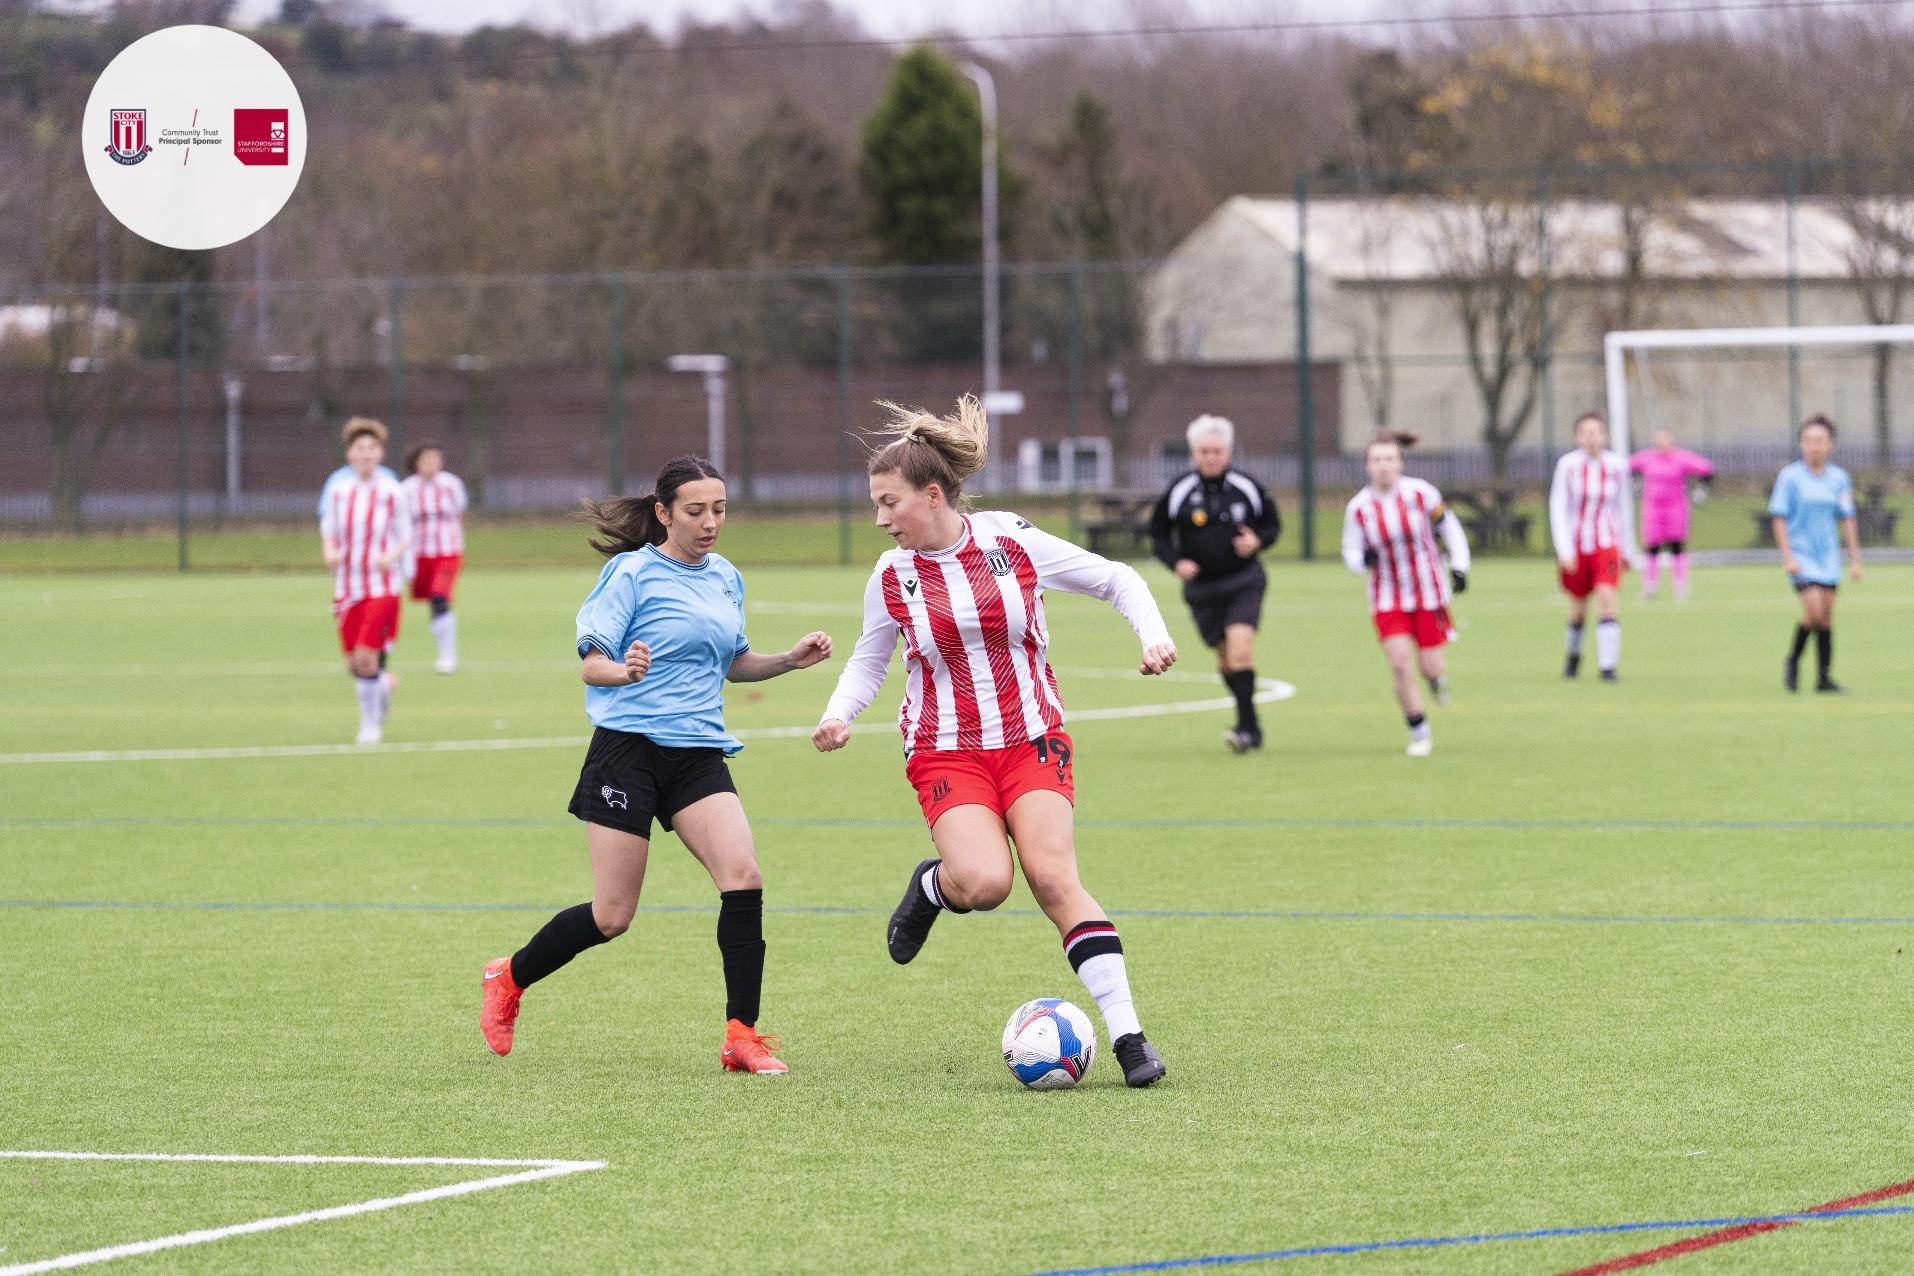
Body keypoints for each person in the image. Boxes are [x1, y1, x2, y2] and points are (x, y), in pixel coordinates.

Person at [812, 396, 1177, 1089]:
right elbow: (869, 660)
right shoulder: (891, 577)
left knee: (1050, 876)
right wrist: (840, 714)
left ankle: (1130, 1038)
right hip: (946, 751)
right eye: (874, 505)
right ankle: (932, 886)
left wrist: (1152, 635)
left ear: (932, 494)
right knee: (984, 883)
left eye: (889, 503)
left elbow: (1117, 579)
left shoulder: (1010, 540)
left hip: (1032, 737)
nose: (880, 519)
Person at [480, 456, 834, 1074]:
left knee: (743, 877)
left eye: (719, 509)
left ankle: (741, 1037)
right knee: (612, 916)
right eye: (695, 511)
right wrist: (627, 670)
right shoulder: (631, 574)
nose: (710, 523)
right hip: (628, 752)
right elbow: (593, 665)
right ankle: (509, 976)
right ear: (664, 513)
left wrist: (787, 660)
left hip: (697, 752)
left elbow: (732, 662)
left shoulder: (725, 576)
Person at [1148, 414, 1281, 753]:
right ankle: (1247, 722)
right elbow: (1158, 533)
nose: (1211, 457)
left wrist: (1257, 541)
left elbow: (1272, 525)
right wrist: (1176, 562)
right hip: (1203, 591)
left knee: (1240, 652)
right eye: (1204, 451)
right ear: (1194, 453)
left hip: (1244, 581)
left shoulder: (1246, 486)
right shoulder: (1180, 491)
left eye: (1218, 451)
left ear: (1228, 452)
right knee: (1226, 661)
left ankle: (1249, 729)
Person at [1340, 432, 1471, 757]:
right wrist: (1361, 562)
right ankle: (1419, 731)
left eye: (1389, 459)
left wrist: (1460, 566)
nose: (1383, 466)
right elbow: (1351, 549)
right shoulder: (1359, 507)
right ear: (1368, 466)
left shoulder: (1420, 494)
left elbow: (1449, 527)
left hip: (1429, 593)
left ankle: (1436, 679)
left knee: (1430, 665)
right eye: (1377, 460)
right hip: (1387, 596)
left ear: (1400, 463)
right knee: (1400, 664)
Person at [320, 418, 410, 745]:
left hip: (381, 587)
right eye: (360, 449)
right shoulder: (339, 491)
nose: (366, 454)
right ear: (350, 454)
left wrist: (391, 555)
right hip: (347, 587)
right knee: (353, 664)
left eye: (372, 448)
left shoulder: (392, 492)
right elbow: (328, 529)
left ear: (381, 453)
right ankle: (383, 685)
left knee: (365, 656)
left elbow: (405, 535)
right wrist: (330, 551)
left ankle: (370, 726)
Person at [1770, 415, 1863, 693]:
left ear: (1830, 444)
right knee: (1814, 610)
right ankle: (1793, 661)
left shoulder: (1839, 478)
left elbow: (1847, 519)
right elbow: (1779, 517)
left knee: (1825, 618)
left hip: (1828, 557)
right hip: (1801, 555)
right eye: (1808, 440)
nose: (1814, 446)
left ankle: (1823, 679)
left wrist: (1855, 559)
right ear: (1801, 443)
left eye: (1819, 441)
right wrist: (1788, 556)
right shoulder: (1790, 477)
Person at [1549, 412, 1638, 682]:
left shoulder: (1616, 466)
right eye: (1585, 432)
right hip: (1577, 546)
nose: (1591, 437)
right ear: (1577, 437)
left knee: (1607, 599)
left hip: (1606, 543)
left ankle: (1607, 667)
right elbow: (1558, 507)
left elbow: (1624, 508)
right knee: (1578, 607)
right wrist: (1564, 549)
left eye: (1596, 431)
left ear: (1604, 435)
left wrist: (1628, 549)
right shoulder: (1568, 466)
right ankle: (1573, 656)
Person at [401, 443, 469, 674]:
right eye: (426, 459)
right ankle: (443, 647)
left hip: (447, 551)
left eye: (436, 459)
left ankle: (448, 654)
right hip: (419, 553)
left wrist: (459, 543)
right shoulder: (407, 489)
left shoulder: (451, 484)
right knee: (432, 601)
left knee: (440, 596)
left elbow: (459, 516)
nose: (432, 464)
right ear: (416, 463)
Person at [1629, 430, 1713, 601]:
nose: (1662, 445)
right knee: (1652, 547)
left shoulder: (1681, 458)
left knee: (1677, 546)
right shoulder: (1647, 458)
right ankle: (1650, 586)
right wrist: (1635, 484)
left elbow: (1707, 469)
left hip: (1676, 508)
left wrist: (1701, 491)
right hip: (1652, 508)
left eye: (1665, 441)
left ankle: (1680, 585)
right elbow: (1625, 467)